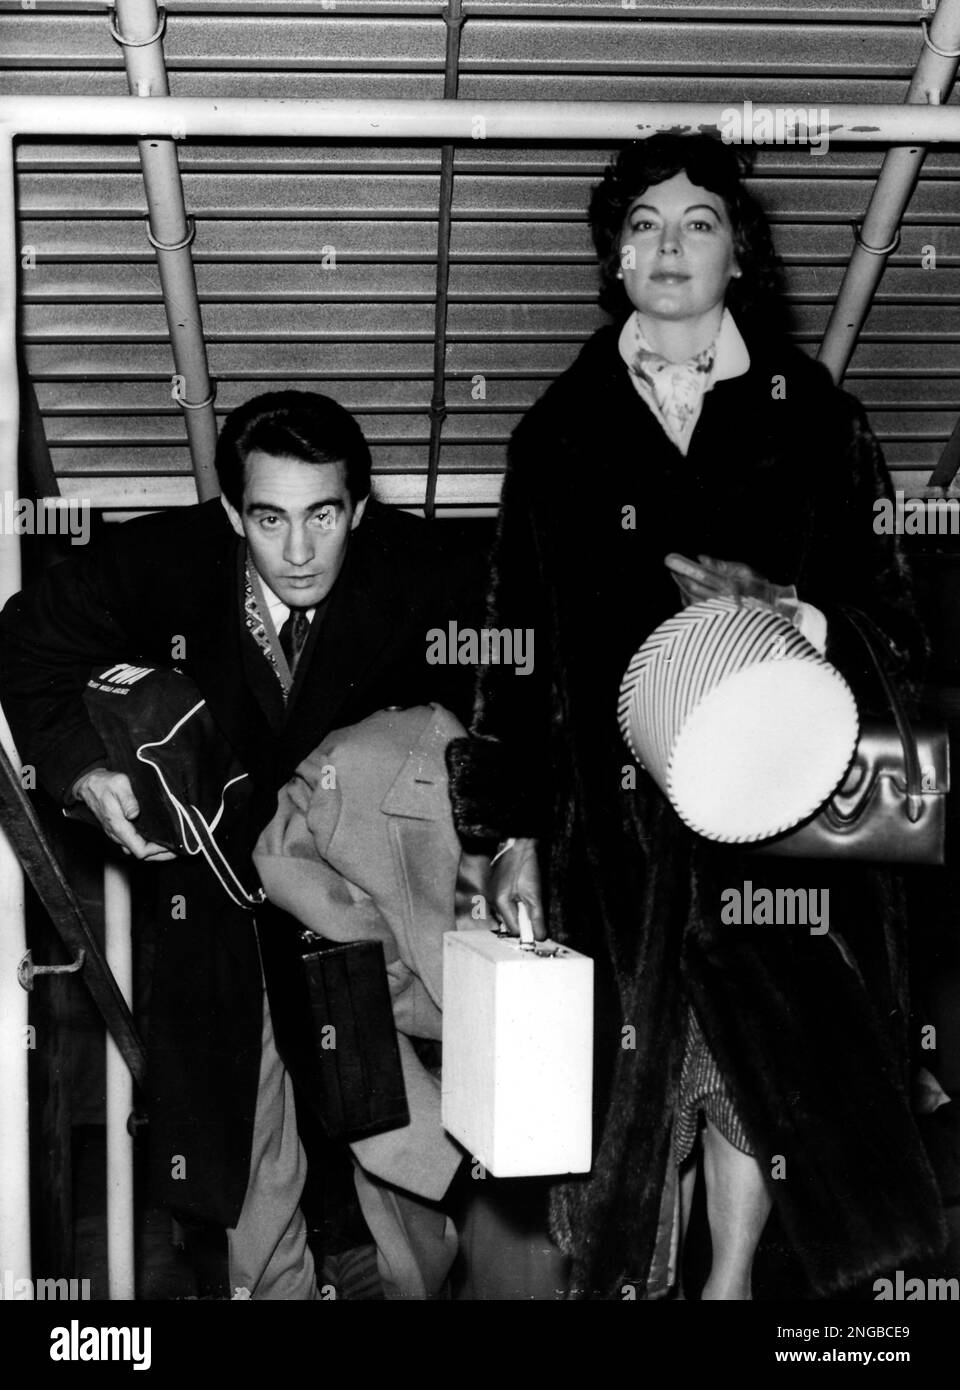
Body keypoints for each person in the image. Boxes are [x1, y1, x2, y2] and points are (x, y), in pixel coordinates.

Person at [446, 134, 946, 1301]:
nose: (671, 248)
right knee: (628, 1092)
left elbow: (901, 633)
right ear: (615, 262)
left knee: (758, 1068)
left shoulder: (817, 419)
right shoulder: (553, 440)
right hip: (610, 833)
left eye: (700, 222)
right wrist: (508, 835)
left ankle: (729, 1286)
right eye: (645, 227)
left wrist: (790, 612)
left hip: (785, 806)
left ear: (739, 257)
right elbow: (512, 654)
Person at [0, 389, 482, 1299]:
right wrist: (78, 771)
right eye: (269, 520)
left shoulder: (425, 568)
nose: (298, 552)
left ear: (360, 509)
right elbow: (25, 641)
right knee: (247, 1161)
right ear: (232, 514)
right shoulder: (163, 563)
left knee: (386, 1142)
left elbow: (532, 673)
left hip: (343, 915)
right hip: (217, 910)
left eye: (323, 517)